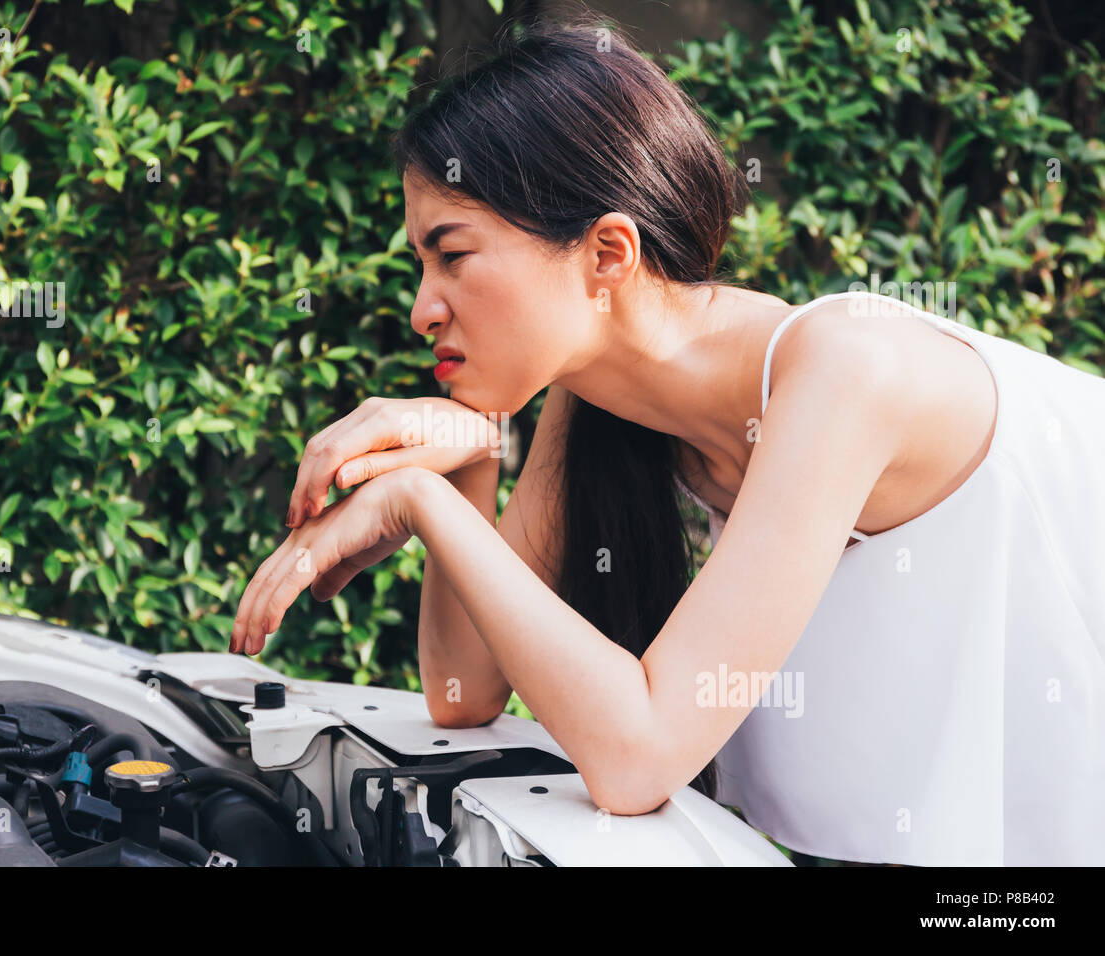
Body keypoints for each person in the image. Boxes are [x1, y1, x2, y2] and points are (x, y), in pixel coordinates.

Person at [230, 16, 1105, 866]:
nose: (423, 308)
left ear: (607, 253)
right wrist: (471, 462)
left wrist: (414, 499)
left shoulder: (848, 373)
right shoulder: (598, 395)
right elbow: (463, 695)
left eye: (451, 255)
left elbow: (638, 755)